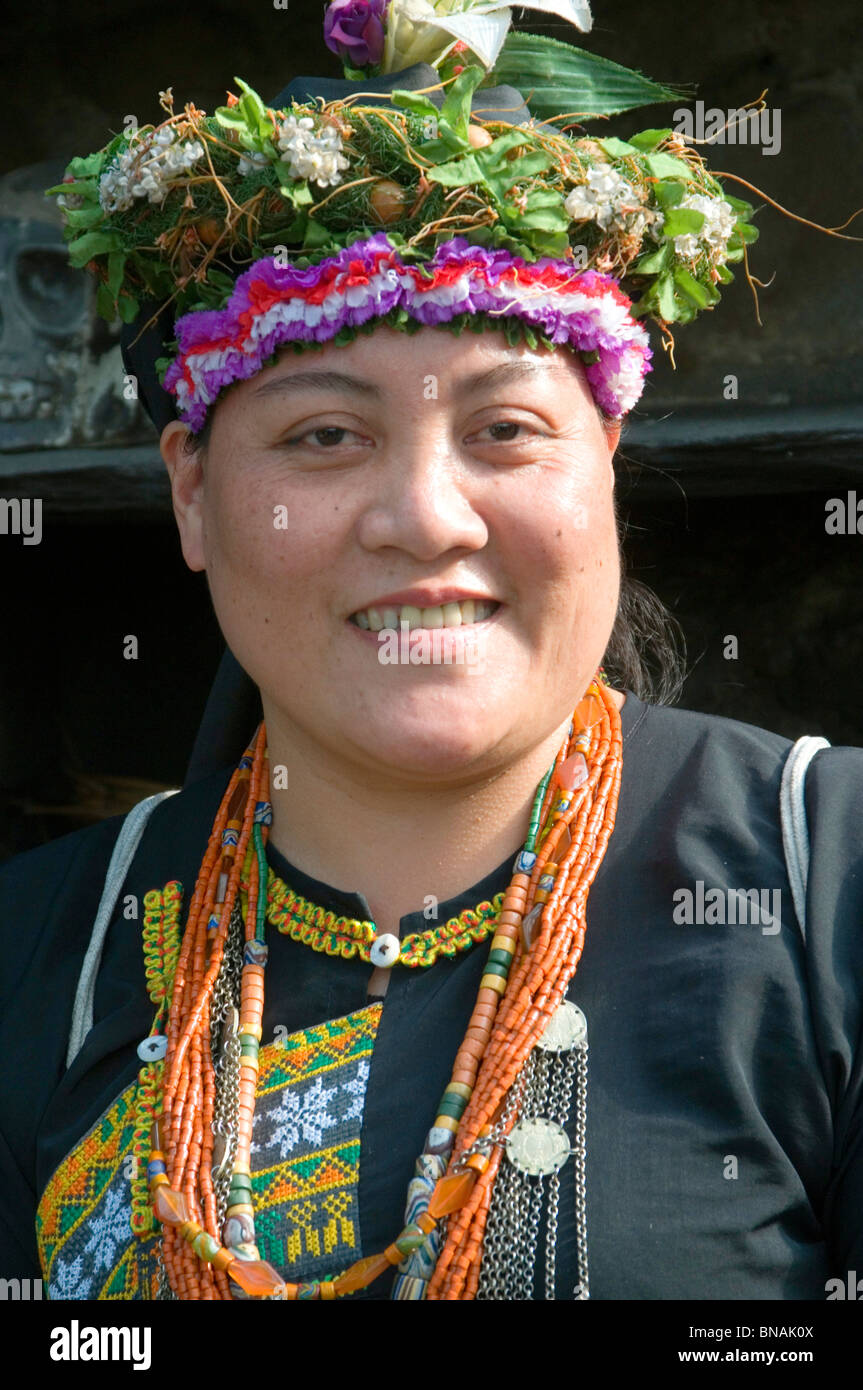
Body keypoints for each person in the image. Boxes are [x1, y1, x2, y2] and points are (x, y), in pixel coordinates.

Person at [1, 3, 861, 1302]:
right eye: (324, 438)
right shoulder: (38, 955)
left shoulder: (827, 889)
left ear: (606, 465)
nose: (426, 518)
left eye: (507, 427)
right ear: (190, 493)